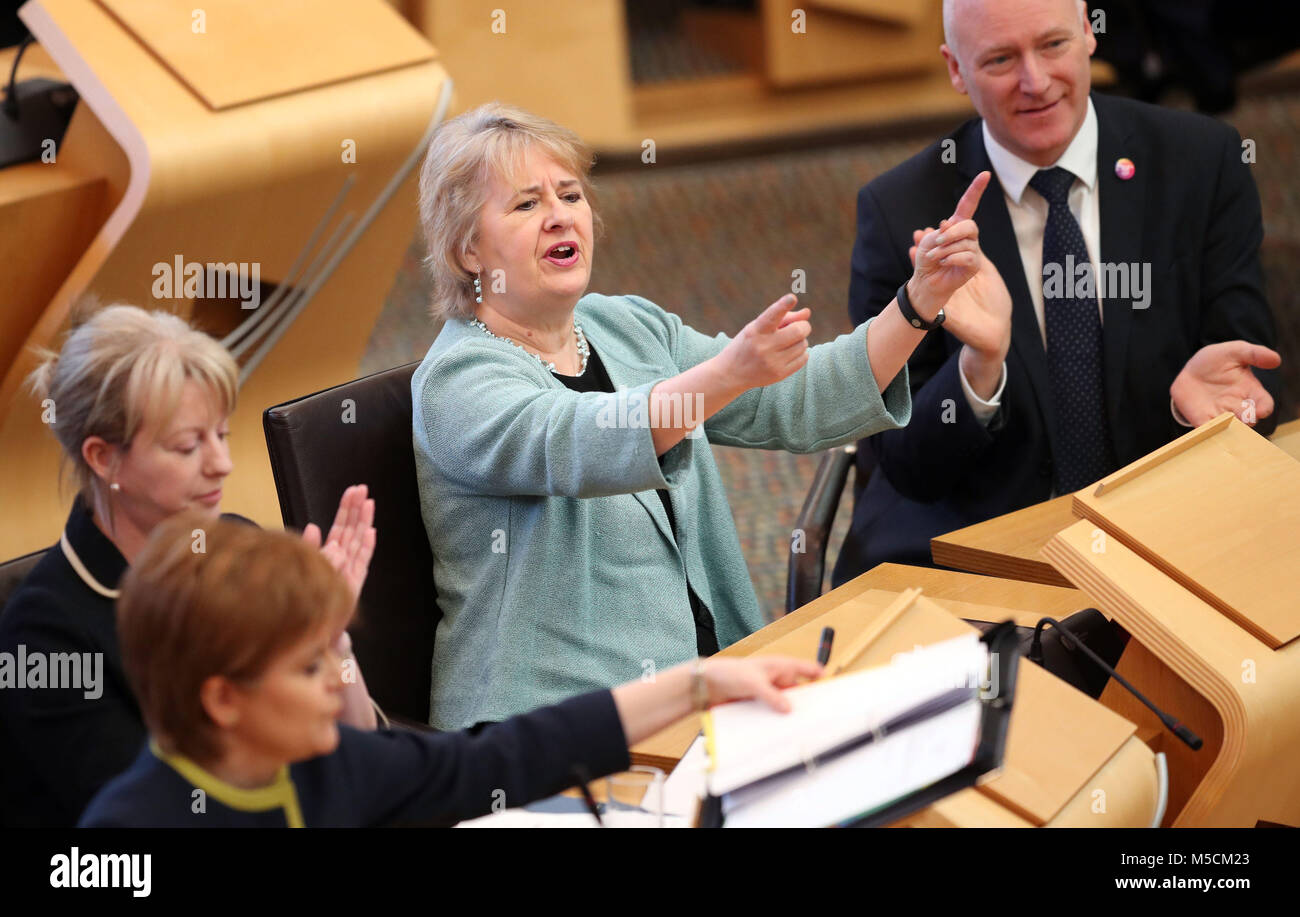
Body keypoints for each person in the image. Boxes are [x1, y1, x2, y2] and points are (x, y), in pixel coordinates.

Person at [412, 103, 994, 730]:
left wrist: (917, 302)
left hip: (712, 684)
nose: (560, 215)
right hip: (553, 727)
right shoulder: (457, 380)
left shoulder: (627, 326)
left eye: (571, 194)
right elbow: (581, 441)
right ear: (469, 249)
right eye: (526, 205)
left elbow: (802, 400)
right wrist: (728, 373)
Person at [831, 0, 1282, 585]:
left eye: (1053, 46)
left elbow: (1257, 381)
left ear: (1091, 37)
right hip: (981, 560)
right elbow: (907, 469)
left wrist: (1200, 412)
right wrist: (978, 369)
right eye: (999, 59)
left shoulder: (1203, 161)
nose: (1035, 82)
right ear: (955, 70)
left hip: (1162, 540)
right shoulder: (902, 213)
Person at [79, 515, 822, 827]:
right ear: (222, 698)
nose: (335, 683)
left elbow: (502, 756)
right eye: (310, 666)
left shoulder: (329, 765)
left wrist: (700, 683)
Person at [0, 305, 378, 827]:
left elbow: (362, 756)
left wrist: (329, 638)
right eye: (187, 445)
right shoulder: (42, 637)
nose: (221, 463)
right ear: (103, 458)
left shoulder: (238, 544)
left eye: (221, 435)